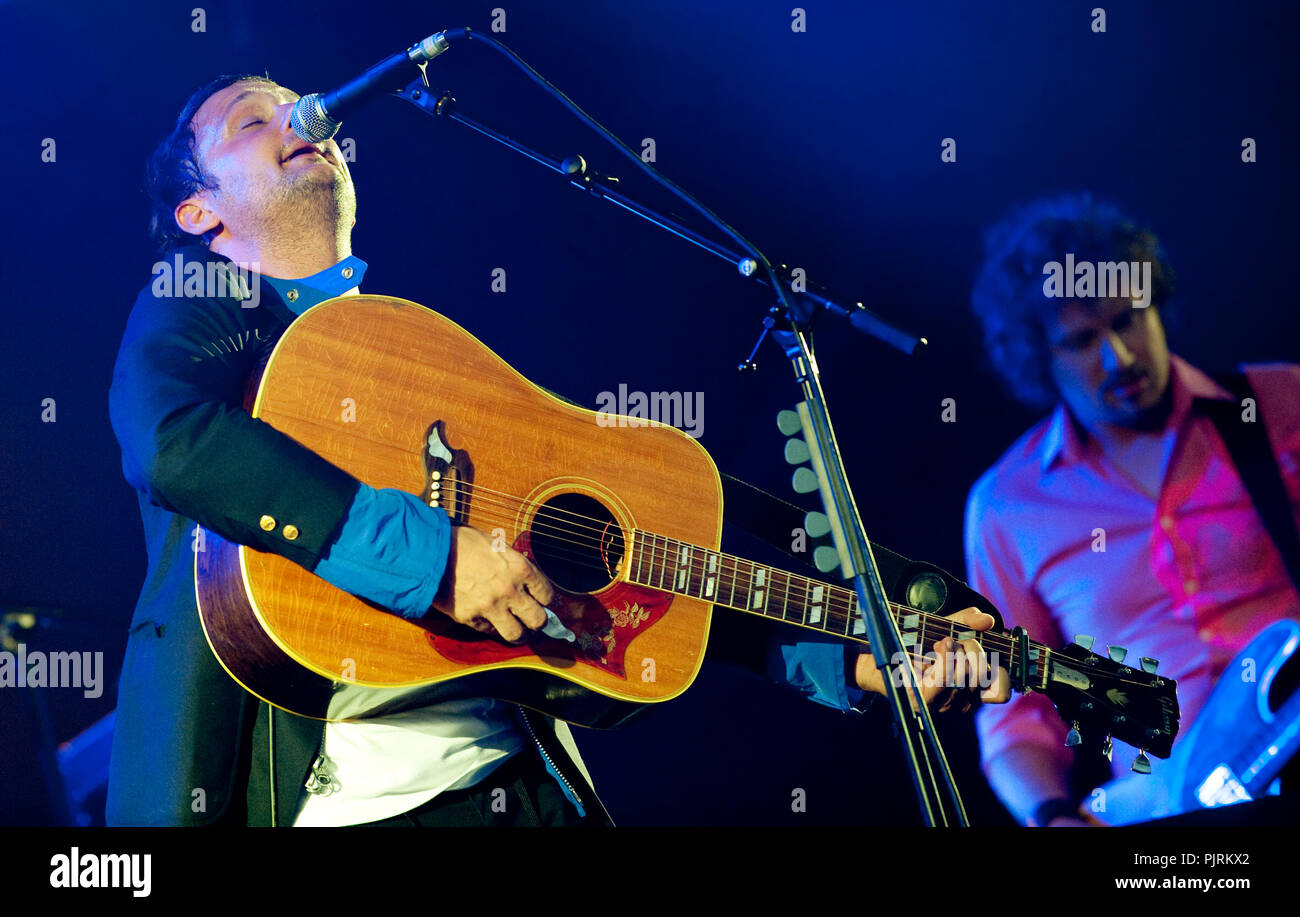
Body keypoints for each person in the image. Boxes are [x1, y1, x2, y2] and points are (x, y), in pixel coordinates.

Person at [108, 73, 1006, 828]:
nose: (303, 116)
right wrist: (432, 559)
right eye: (253, 120)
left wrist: (855, 655)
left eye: (301, 103)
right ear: (197, 211)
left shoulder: (422, 358)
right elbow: (173, 439)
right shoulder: (203, 303)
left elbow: (631, 576)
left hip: (525, 787)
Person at [964, 192, 1300, 826]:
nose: (1120, 355)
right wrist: (1052, 814)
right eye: (1083, 340)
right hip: (1163, 816)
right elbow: (1015, 712)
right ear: (1038, 358)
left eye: (1128, 318)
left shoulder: (1281, 404)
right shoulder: (1007, 507)